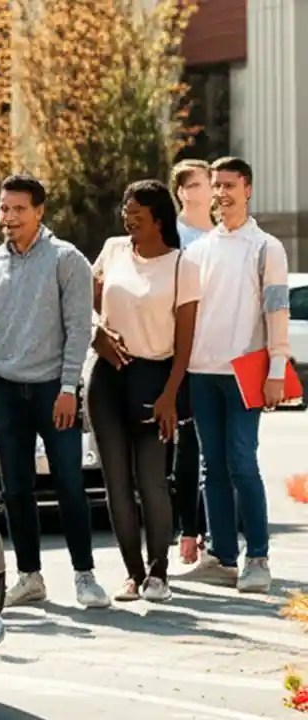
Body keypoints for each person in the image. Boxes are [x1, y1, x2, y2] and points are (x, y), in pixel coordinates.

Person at [0, 174, 110, 609]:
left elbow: (78, 329)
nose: (8, 217)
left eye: (18, 209)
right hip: (8, 393)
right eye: (4, 208)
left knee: (69, 483)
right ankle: (30, 577)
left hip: (55, 390)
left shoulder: (67, 260)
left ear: (40, 211)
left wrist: (69, 387)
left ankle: (85, 576)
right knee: (15, 489)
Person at [88, 180, 200, 603]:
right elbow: (85, 301)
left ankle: (159, 573)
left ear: (158, 219)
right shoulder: (114, 250)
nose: (127, 217)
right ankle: (132, 575)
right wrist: (96, 333)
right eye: (125, 210)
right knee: (115, 482)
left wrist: (172, 393)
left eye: (136, 212)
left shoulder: (181, 265)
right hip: (107, 378)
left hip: (156, 378)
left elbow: (185, 341)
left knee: (152, 481)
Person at [185, 156, 290, 594]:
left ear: (247, 188)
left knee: (242, 462)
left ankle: (259, 559)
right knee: (212, 467)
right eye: (216, 186)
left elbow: (277, 311)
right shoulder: (199, 249)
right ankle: (223, 557)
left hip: (246, 371)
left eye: (230, 185)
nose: (222, 194)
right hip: (200, 372)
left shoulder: (267, 247)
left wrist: (278, 369)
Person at [167, 159, 214, 564]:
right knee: (187, 445)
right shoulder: (175, 236)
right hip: (181, 356)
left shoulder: (224, 235)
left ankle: (216, 535)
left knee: (222, 449)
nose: (209, 190)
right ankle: (189, 530)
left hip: (220, 356)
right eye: (198, 184)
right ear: (182, 190)